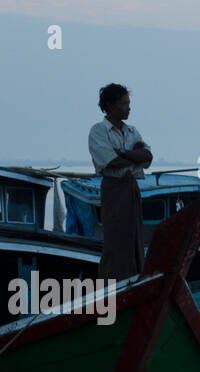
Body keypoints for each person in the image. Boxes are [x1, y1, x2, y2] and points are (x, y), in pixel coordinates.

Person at [88, 83, 153, 279]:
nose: (128, 108)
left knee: (134, 237)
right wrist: (134, 157)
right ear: (110, 105)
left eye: (128, 103)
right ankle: (113, 281)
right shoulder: (99, 131)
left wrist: (124, 152)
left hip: (131, 188)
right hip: (113, 189)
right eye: (124, 104)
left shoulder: (132, 131)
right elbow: (110, 162)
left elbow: (147, 156)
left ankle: (135, 277)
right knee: (116, 239)